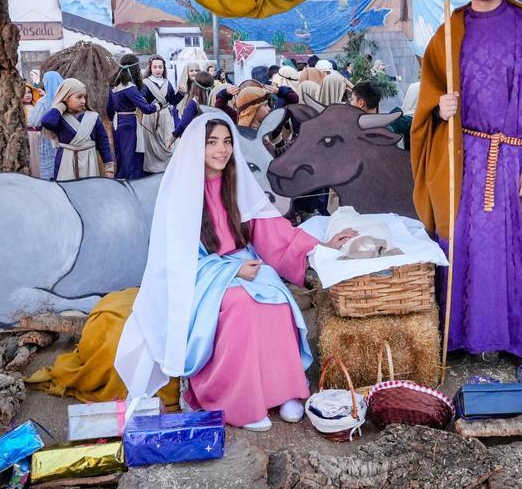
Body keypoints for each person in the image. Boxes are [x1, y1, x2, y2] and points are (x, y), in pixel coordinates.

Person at [113, 112, 357, 430]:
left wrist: (321, 245)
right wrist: (232, 271)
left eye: (227, 142)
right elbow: (176, 257)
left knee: (278, 301)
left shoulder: (237, 183)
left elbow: (271, 229)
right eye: (212, 142)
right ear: (196, 148)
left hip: (246, 265)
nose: (222, 149)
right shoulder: (180, 193)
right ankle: (239, 403)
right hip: (202, 273)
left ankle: (283, 391)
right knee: (241, 307)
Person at [411, 0, 522, 361]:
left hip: (514, 156)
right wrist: (440, 108)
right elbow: (429, 98)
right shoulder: (452, 27)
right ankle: (458, 339)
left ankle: (515, 342)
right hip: (463, 157)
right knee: (463, 242)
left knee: (513, 243)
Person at [39, 78, 115, 180]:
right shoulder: (60, 118)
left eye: (84, 97)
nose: (83, 101)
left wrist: (109, 168)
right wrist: (59, 107)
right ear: (65, 97)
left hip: (89, 162)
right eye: (79, 97)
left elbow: (103, 142)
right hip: (66, 163)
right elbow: (47, 122)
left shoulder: (93, 117)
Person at [107, 53, 159, 180]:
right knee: (132, 157)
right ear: (135, 69)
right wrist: (159, 105)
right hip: (130, 125)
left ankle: (120, 184)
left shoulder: (113, 87)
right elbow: (146, 109)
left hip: (117, 124)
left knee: (121, 157)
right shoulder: (130, 88)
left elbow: (109, 111)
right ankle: (132, 185)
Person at [28, 70, 63, 181]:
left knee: (50, 169)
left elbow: (34, 121)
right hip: (65, 138)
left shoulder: (44, 101)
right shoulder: (66, 99)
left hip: (48, 138)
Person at [174, 71, 215, 137]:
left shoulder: (194, 103)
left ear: (195, 86)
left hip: (196, 137)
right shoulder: (214, 100)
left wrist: (171, 139)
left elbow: (183, 124)